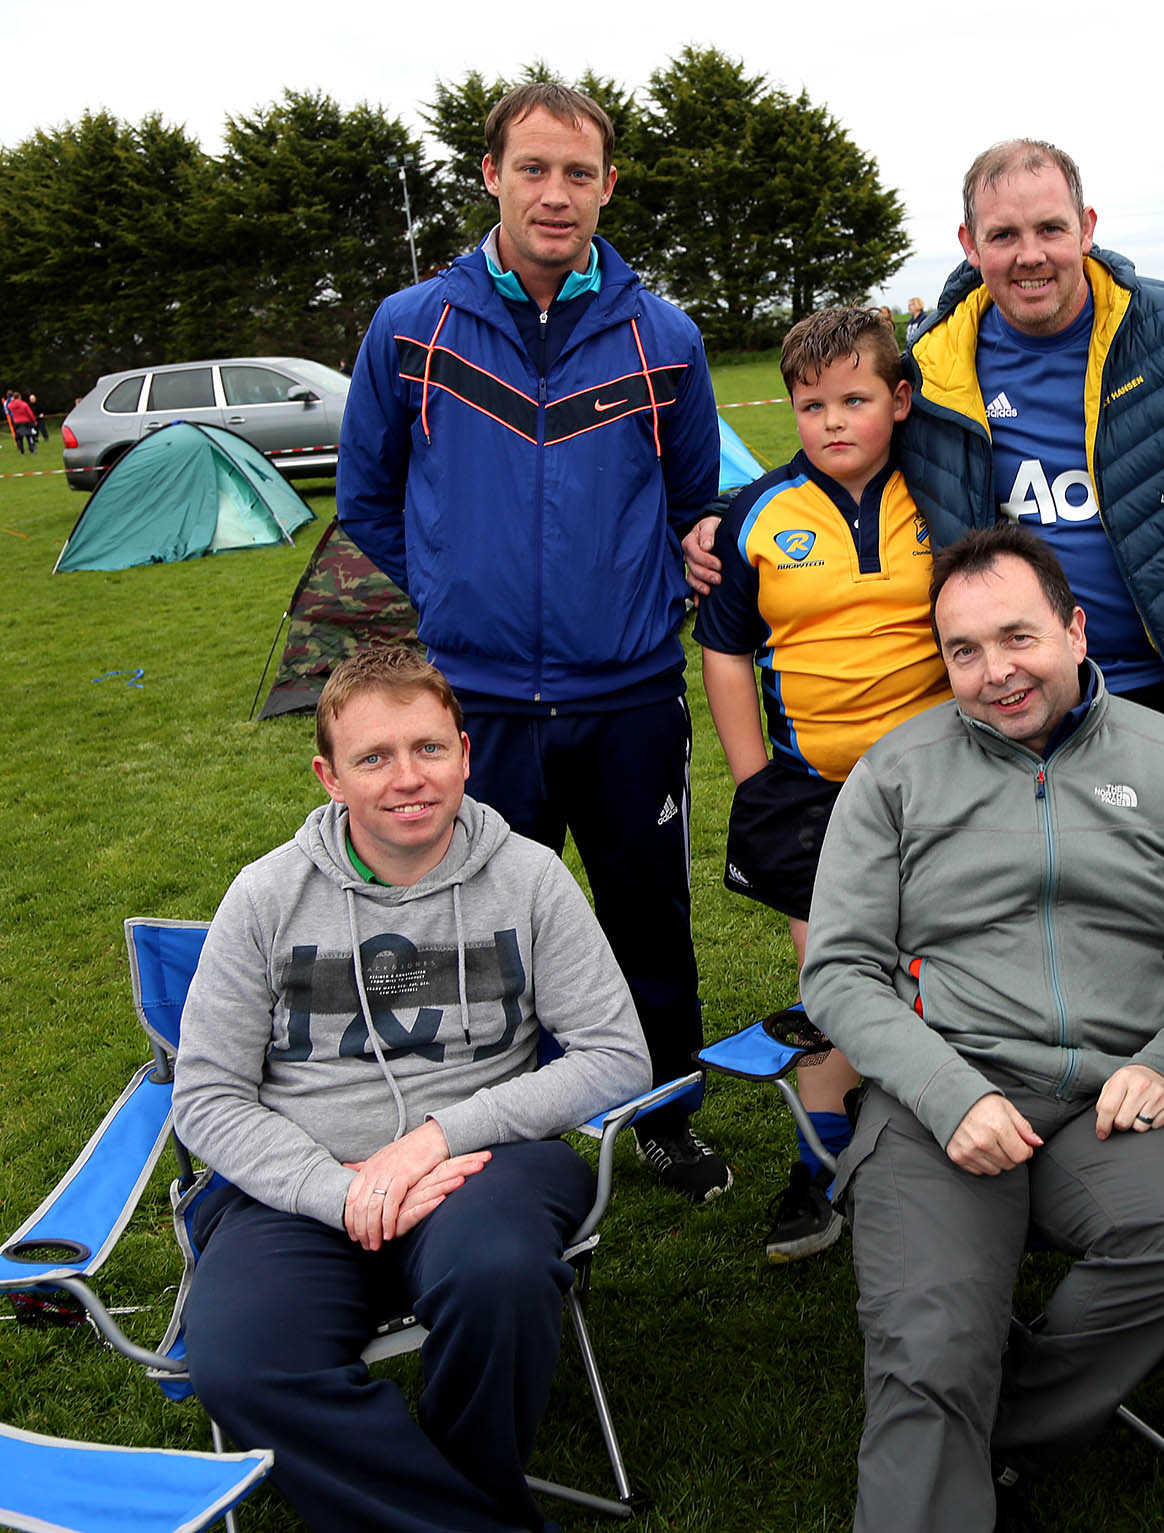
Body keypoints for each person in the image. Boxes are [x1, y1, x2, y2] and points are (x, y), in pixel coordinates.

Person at [801, 524, 1164, 1532]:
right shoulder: (895, 773)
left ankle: (985, 1421)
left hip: (1114, 1104)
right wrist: (949, 1092)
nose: (994, 672)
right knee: (930, 1343)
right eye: (963, 651)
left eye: (1017, 638)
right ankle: (946, 1409)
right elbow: (838, 968)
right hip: (940, 1100)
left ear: (1075, 629)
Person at [338, 82, 731, 1201]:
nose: (555, 194)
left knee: (643, 917)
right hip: (477, 702)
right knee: (470, 925)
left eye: (578, 173)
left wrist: (668, 567)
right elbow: (369, 499)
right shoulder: (412, 326)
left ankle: (662, 1115)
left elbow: (693, 502)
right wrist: (454, 587)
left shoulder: (665, 337)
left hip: (628, 698)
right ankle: (485, 1126)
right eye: (533, 169)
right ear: (490, 176)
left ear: (608, 186)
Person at [173, 647, 652, 1532]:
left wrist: (437, 1136)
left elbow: (616, 1055)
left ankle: (427, 1495)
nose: (408, 779)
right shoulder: (266, 898)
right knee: (239, 1359)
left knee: (499, 1274)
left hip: (484, 1165)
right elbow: (206, 1097)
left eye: (429, 749)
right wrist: (341, 1188)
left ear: (467, 753)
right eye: (373, 757)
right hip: (298, 1187)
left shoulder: (530, 878)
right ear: (328, 776)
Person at [684, 140, 1164, 754]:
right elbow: (847, 456)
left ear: (1086, 227)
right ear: (969, 243)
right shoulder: (932, 367)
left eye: (1050, 228)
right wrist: (724, 517)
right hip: (1018, 705)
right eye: (1003, 236)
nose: (1030, 255)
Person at [695, 307, 950, 1262]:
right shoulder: (756, 514)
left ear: (900, 399)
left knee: (937, 966)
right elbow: (724, 652)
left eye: (854, 399)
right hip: (809, 793)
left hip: (937, 788)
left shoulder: (940, 498)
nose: (833, 420)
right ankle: (821, 1163)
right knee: (834, 982)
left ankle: (934, 1141)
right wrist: (758, 779)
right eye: (811, 405)